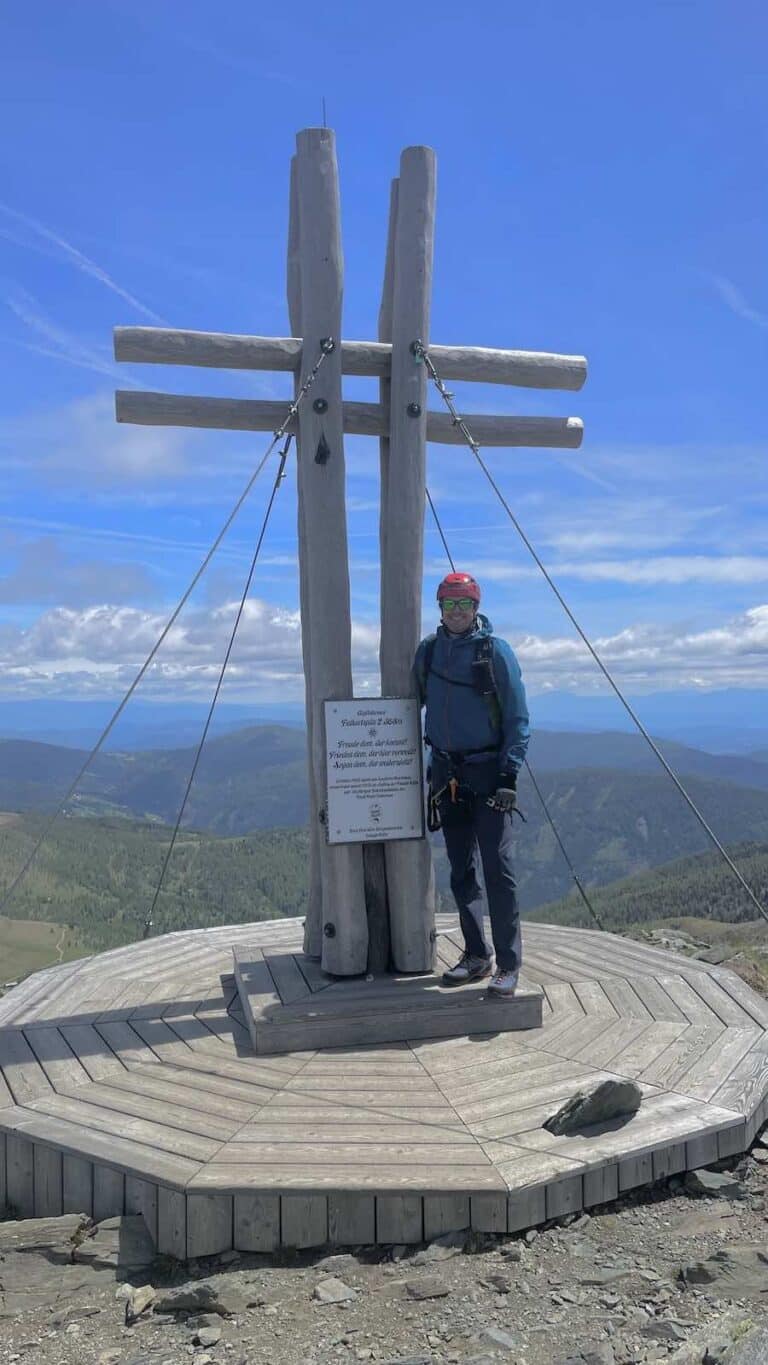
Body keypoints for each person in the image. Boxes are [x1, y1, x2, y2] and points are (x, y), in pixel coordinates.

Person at [413, 572, 530, 996]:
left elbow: (517, 718)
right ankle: (478, 955)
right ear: (440, 608)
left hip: (488, 774)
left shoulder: (495, 652)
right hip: (447, 774)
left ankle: (509, 964)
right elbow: (413, 702)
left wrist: (509, 774)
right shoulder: (429, 652)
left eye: (464, 604)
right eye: (450, 604)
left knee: (498, 871)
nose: (457, 612)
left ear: (476, 607)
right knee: (462, 870)